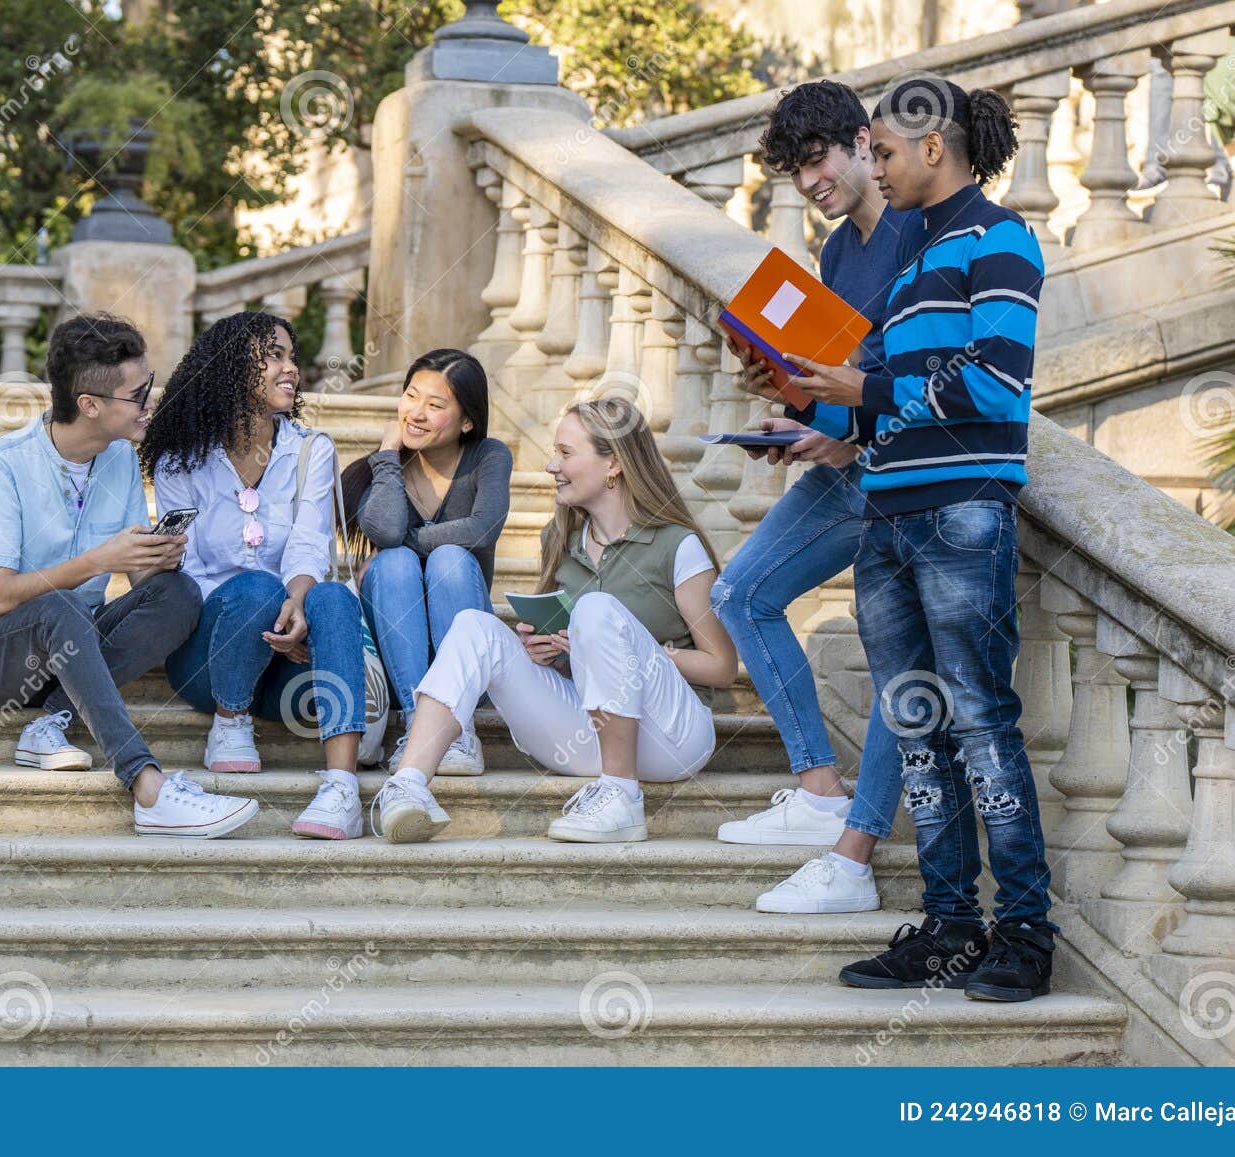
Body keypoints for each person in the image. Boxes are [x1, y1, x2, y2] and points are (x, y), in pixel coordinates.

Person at [788, 79, 1053, 1002]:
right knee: (917, 727)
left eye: (888, 154)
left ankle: (1022, 930)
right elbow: (875, 410)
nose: (878, 168)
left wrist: (864, 390)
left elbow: (995, 383)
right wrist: (791, 392)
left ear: (931, 146)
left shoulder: (1001, 240)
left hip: (961, 515)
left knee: (980, 718)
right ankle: (948, 928)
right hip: (887, 519)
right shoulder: (904, 271)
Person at [712, 79, 930, 916]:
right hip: (851, 460)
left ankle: (858, 844)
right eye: (794, 171)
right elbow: (839, 382)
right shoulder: (837, 254)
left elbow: (929, 370)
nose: (808, 184)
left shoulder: (922, 227)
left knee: (899, 665)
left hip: (911, 471)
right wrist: (794, 407)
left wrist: (847, 423)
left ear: (861, 144)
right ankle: (818, 789)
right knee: (741, 590)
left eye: (816, 161)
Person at [0, 313, 258, 839]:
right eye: (137, 392)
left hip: (65, 653)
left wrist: (156, 557)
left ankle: (51, 720)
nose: (151, 399)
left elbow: (127, 575)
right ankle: (147, 786)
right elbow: (0, 597)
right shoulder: (2, 467)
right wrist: (100, 560)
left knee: (177, 593)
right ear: (90, 405)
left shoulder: (121, 458)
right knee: (58, 606)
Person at [366, 397, 739, 845]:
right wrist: (548, 653)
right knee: (473, 625)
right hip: (584, 736)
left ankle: (621, 797)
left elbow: (721, 667)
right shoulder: (560, 538)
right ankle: (407, 786)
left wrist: (640, 653)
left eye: (565, 453)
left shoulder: (677, 545)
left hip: (671, 738)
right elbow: (573, 655)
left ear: (614, 465)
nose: (550, 466)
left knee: (596, 610)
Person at [142, 311, 371, 841]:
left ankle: (341, 787)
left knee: (332, 598)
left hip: (289, 672)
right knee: (255, 589)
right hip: (208, 658)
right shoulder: (182, 461)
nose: (291, 369)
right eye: (274, 356)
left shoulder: (310, 449)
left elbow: (311, 543)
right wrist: (267, 610)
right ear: (229, 369)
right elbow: (189, 573)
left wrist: (296, 608)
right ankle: (229, 723)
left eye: (292, 357)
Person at [342, 348, 513, 778]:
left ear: (467, 421)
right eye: (411, 396)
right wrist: (386, 455)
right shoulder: (382, 467)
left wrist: (407, 539)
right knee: (393, 563)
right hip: (402, 652)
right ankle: (421, 728)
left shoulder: (489, 456)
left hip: (462, 647)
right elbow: (383, 533)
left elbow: (481, 530)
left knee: (450, 559)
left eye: (435, 406)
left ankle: (458, 728)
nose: (415, 413)